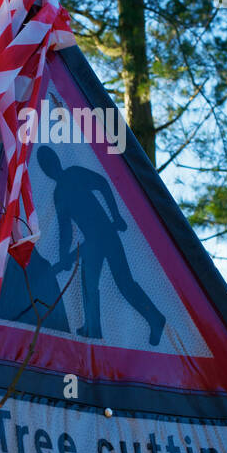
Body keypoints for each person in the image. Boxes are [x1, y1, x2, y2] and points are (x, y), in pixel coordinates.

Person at [36, 145, 166, 345]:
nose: (48, 169)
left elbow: (103, 184)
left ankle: (155, 318)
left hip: (107, 234)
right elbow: (66, 230)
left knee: (124, 282)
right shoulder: (59, 193)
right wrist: (63, 258)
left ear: (56, 161)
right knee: (88, 284)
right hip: (91, 243)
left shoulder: (75, 174)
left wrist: (116, 215)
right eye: (44, 166)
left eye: (49, 163)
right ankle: (93, 329)